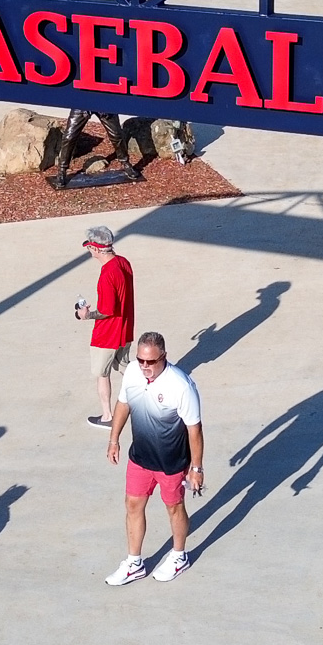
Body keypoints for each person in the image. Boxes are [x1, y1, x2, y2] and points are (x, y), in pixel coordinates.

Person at [103, 332, 204, 586]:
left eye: (151, 362)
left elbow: (194, 429)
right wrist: (114, 439)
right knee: (133, 505)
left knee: (174, 507)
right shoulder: (133, 374)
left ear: (164, 358)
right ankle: (134, 563)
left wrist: (196, 468)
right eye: (140, 360)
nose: (145, 367)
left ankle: (179, 556)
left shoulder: (181, 385)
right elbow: (123, 404)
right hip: (140, 457)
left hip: (171, 462)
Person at [74, 225, 134, 428]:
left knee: (102, 374)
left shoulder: (107, 275)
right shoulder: (123, 263)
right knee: (127, 368)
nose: (89, 251)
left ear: (96, 248)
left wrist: (86, 315)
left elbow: (107, 310)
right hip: (125, 329)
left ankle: (108, 416)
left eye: (89, 247)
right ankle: (144, 401)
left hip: (107, 334)